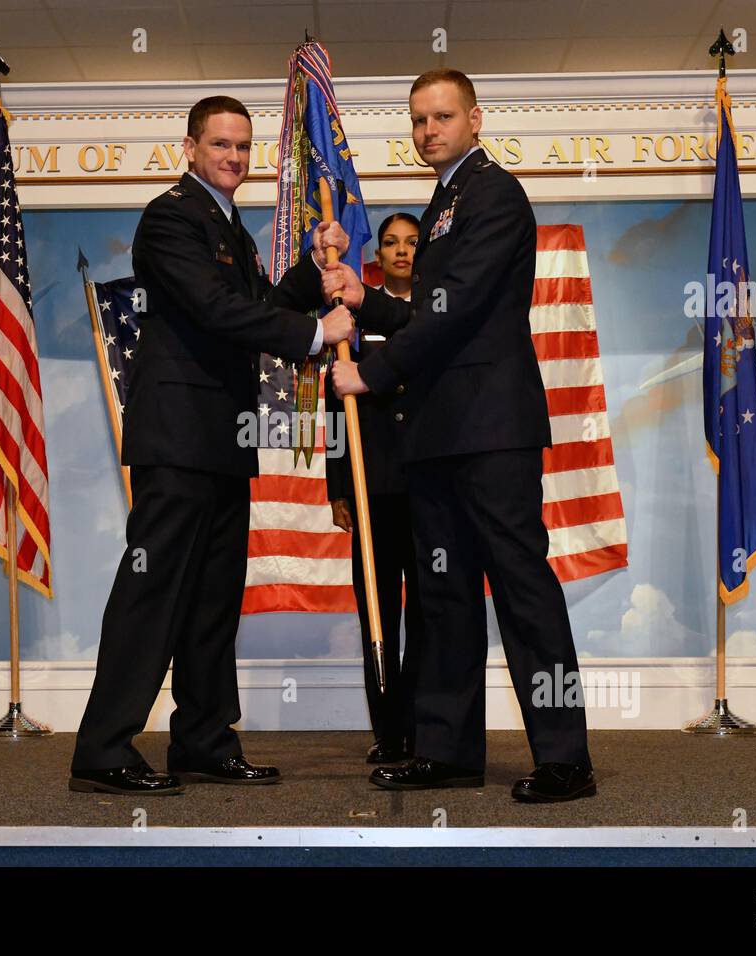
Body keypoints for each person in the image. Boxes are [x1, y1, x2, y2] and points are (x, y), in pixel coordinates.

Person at [70, 95, 354, 796]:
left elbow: (257, 301)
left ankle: (202, 739)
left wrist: (312, 278)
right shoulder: (170, 217)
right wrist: (316, 336)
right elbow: (215, 310)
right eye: (221, 144)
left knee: (211, 599)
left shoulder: (227, 224)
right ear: (190, 147)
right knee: (153, 590)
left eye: (242, 147)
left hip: (223, 441)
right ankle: (104, 748)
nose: (233, 157)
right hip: (177, 437)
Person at [325, 70, 596, 802]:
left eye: (441, 117)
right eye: (417, 121)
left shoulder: (494, 192)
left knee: (521, 589)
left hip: (492, 430)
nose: (427, 131)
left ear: (474, 118)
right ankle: (446, 750)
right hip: (438, 434)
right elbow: (427, 312)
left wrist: (371, 378)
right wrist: (366, 298)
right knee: (442, 595)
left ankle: (565, 757)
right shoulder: (443, 202)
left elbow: (460, 311)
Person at [325, 212, 424, 765]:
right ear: (377, 255)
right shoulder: (351, 322)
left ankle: (421, 725)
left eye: (412, 243)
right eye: (390, 243)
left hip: (427, 487)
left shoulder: (436, 317)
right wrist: (339, 486)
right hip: (371, 489)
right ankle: (389, 731)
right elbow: (338, 407)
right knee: (379, 614)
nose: (402, 252)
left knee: (431, 613)